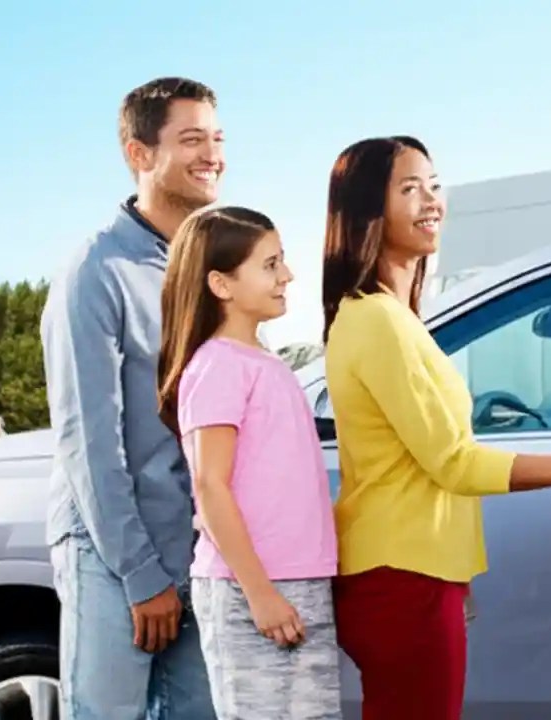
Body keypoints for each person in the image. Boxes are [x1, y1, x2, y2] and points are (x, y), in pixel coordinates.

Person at [320, 135, 551, 720]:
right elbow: (453, 461)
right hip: (401, 580)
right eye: (409, 189)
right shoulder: (376, 320)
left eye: (433, 184)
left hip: (415, 574)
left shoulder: (392, 318)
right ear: (367, 210)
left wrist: (454, 575)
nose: (431, 200)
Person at [41, 76, 224, 719]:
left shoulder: (209, 271)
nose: (213, 155)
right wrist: (142, 575)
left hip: (196, 550)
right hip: (113, 550)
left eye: (217, 138)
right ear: (139, 154)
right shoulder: (96, 272)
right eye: (192, 139)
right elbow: (89, 441)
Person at [157, 207, 341, 720]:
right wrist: (259, 595)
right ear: (221, 283)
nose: (287, 275)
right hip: (252, 589)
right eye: (271, 264)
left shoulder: (264, 362)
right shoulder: (216, 366)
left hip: (297, 583)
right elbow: (210, 487)